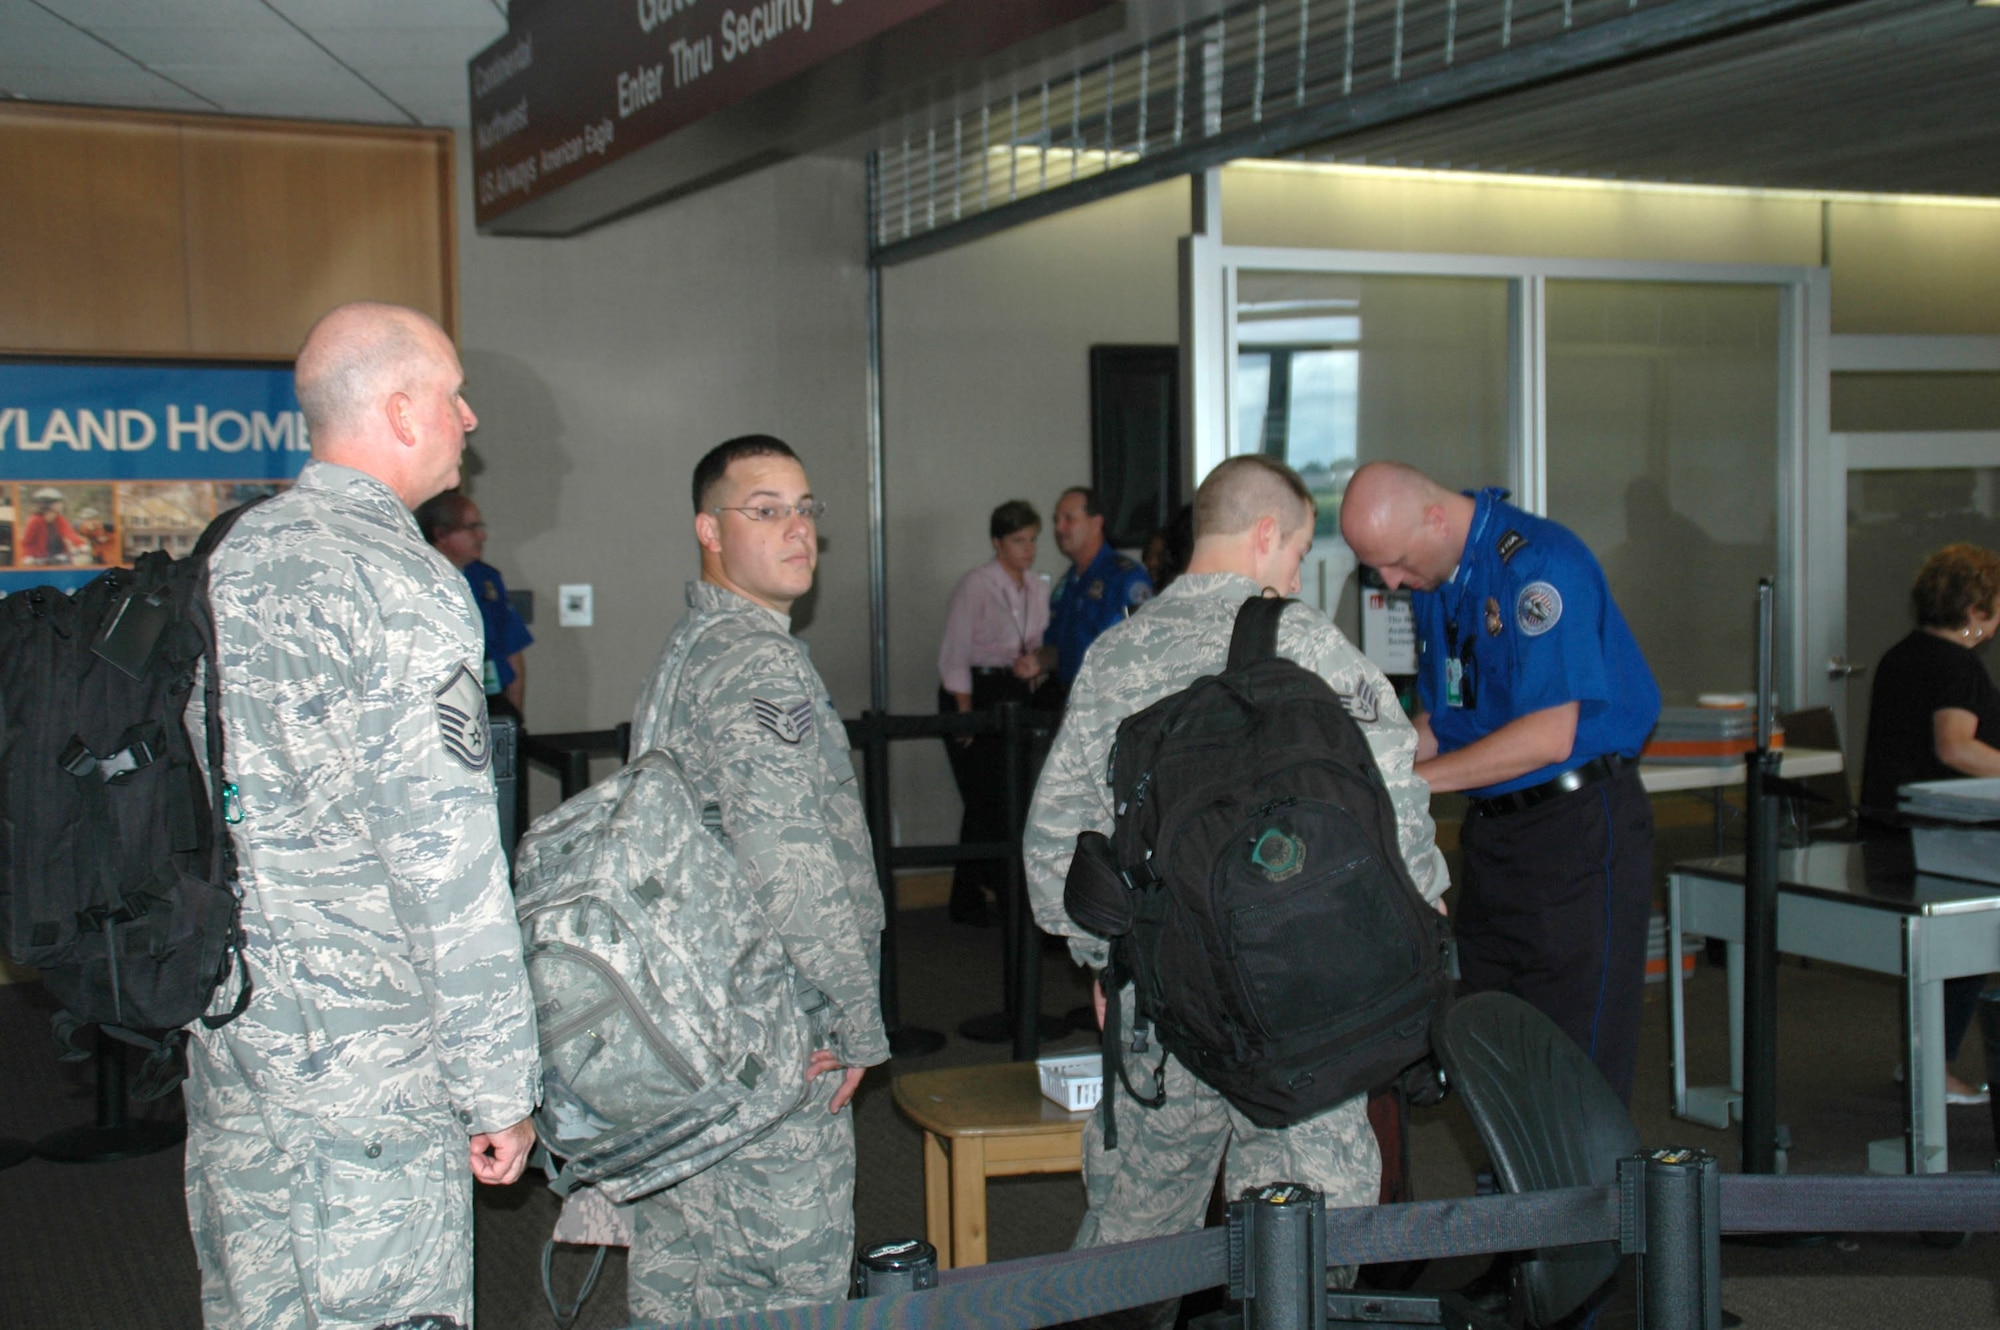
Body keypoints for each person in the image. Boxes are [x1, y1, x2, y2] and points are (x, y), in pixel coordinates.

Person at [186, 301, 541, 1330]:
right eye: (450, 393)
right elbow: (447, 862)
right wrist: (497, 1085)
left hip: (233, 1041)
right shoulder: (404, 583)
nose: (468, 417)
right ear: (397, 410)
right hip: (369, 1072)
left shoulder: (222, 559)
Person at [1024, 456, 1447, 1311]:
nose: (1295, 574)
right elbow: (1397, 817)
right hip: (1303, 1015)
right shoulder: (1310, 644)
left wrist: (1104, 962)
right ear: (1265, 536)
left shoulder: (1117, 653)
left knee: (1132, 1247)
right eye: (1295, 554)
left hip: (1165, 1010)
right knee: (1298, 1249)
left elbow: (1052, 849)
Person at [624, 434, 889, 1321]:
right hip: (766, 1031)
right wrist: (855, 1014)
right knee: (786, 1288)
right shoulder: (753, 661)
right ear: (709, 529)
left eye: (806, 509)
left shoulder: (691, 646)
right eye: (766, 510)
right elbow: (787, 863)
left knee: (683, 1272)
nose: (798, 530)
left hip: (684, 1029)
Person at [1340, 461, 1661, 1105]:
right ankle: (1513, 1203)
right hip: (1498, 840)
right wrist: (1363, 768)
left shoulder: (1539, 567)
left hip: (1577, 835)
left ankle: (1579, 1206)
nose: (1395, 583)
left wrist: (1411, 784)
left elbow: (1548, 736)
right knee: (1495, 1048)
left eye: (1397, 564)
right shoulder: (1442, 582)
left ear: (1434, 516)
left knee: (1574, 1068)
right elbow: (1445, 723)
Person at [1860, 542, 2000, 1105]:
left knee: (1948, 953)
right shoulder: (1958, 666)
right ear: (1975, 611)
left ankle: (1922, 1061)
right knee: (1966, 947)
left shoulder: (1901, 654)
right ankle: (1932, 1069)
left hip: (1890, 829)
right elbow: (1957, 748)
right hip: (1939, 837)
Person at [936, 499, 1053, 926]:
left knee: (1002, 797)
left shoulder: (1039, 587)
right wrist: (965, 714)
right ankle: (997, 896)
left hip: (1013, 688)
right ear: (997, 543)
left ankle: (970, 895)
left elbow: (1040, 640)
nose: (1028, 549)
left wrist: (1035, 664)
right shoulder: (977, 584)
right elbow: (955, 652)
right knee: (987, 797)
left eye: (1033, 540)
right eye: (1019, 540)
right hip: (973, 689)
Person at [415, 489, 533, 719]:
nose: (482, 536)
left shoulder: (486, 579)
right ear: (441, 534)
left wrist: (515, 717)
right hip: (441, 709)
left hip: (492, 701)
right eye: (472, 528)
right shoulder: (419, 582)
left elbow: (512, 651)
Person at [1040, 486, 1153, 693]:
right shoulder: (1068, 583)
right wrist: (1037, 661)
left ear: (1095, 523)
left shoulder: (1125, 577)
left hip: (1110, 699)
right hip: (1071, 700)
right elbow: (1060, 648)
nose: (1059, 528)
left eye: (1069, 519)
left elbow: (1141, 647)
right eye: (1056, 520)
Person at [20, 488, 86, 565]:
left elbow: (69, 532)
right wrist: (27, 556)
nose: (61, 505)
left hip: (59, 556)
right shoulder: (34, 521)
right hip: (41, 559)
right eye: (57, 502)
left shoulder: (59, 518)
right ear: (47, 504)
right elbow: (27, 542)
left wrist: (80, 544)